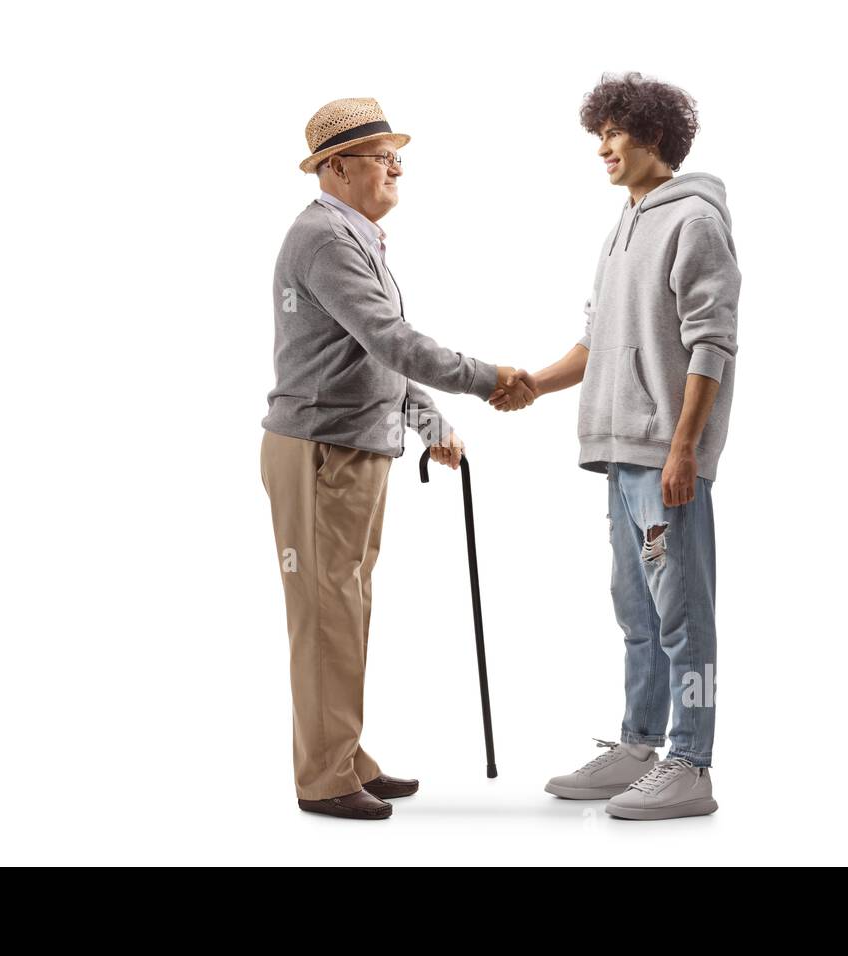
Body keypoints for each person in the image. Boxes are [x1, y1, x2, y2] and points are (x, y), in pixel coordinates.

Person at [260, 97, 533, 820]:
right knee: (326, 615)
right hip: (320, 453)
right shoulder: (325, 237)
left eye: (396, 155)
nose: (396, 167)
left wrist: (427, 417)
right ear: (337, 166)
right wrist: (487, 378)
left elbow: (371, 353)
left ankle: (344, 754)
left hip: (350, 450)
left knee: (345, 610)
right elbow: (391, 340)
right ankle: (323, 776)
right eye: (383, 156)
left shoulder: (355, 236)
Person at [494, 73, 741, 820]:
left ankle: (690, 763)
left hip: (666, 459)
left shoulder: (694, 219)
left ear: (654, 135)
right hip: (617, 454)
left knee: (683, 615)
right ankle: (638, 746)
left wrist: (684, 449)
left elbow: (712, 346)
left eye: (613, 131)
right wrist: (531, 384)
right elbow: (597, 341)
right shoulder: (623, 224)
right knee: (635, 611)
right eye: (598, 132)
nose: (601, 146)